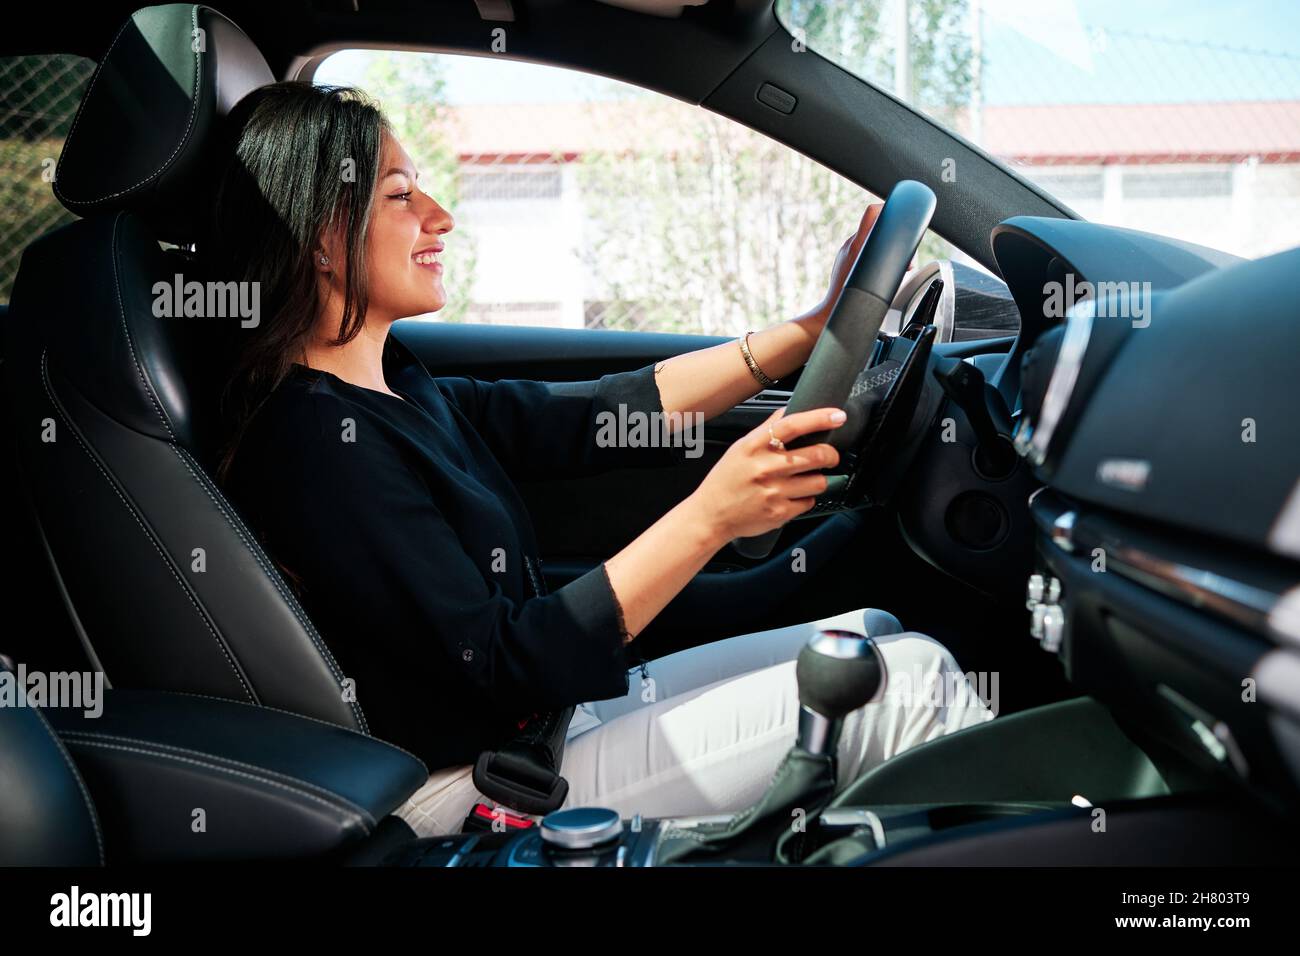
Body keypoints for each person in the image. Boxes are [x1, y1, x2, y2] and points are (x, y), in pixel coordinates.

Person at [209, 82, 993, 838]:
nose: (440, 217)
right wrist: (713, 516)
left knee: (870, 634)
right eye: (401, 196)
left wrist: (811, 330)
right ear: (319, 236)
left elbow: (600, 416)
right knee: (908, 685)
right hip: (471, 786)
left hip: (540, 727)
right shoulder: (315, 446)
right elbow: (506, 658)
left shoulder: (402, 384)